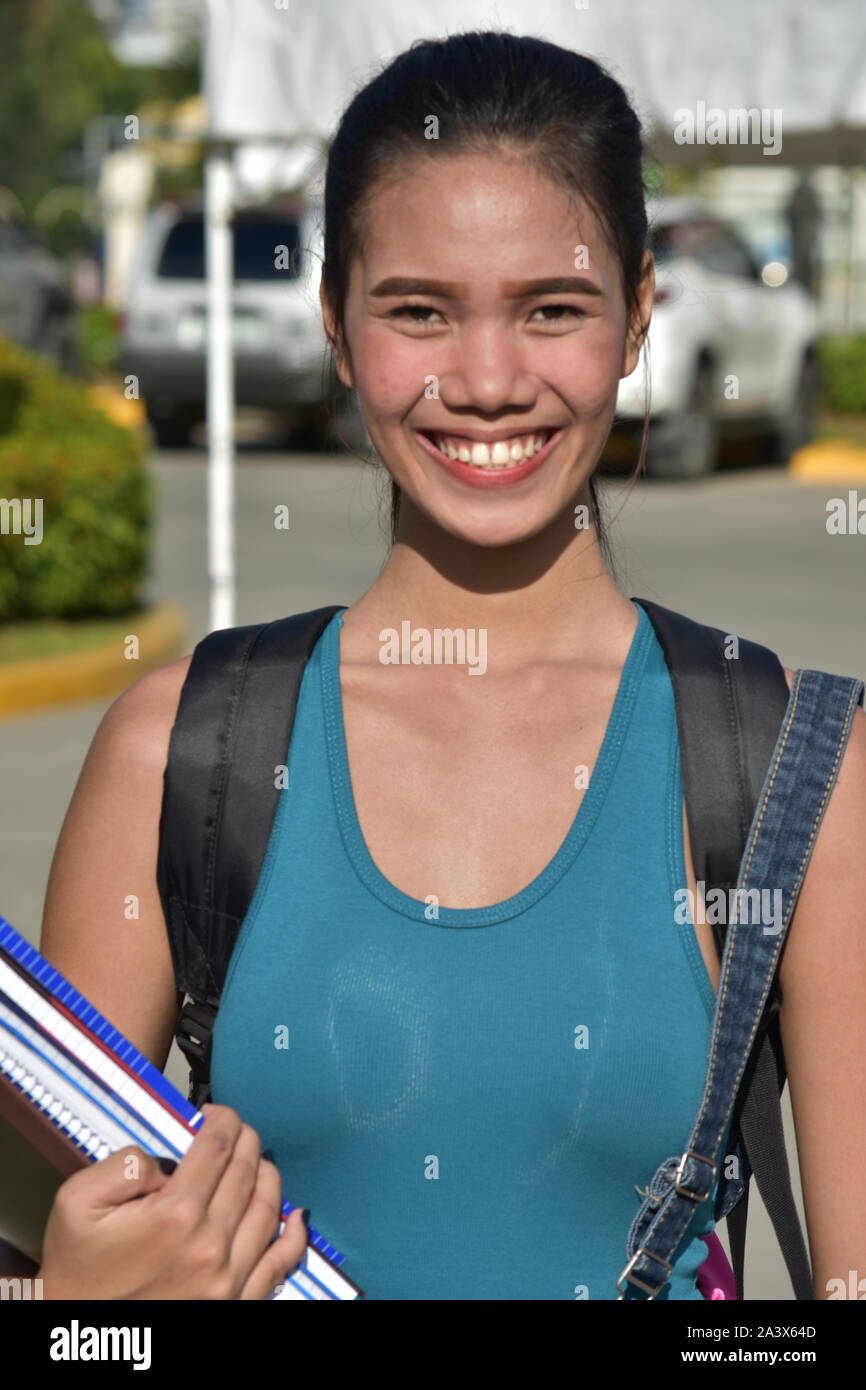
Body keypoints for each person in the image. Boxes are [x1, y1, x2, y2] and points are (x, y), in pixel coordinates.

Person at [34, 31, 866, 1300]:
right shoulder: (182, 747)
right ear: (334, 321)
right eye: (419, 310)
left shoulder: (794, 767)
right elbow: (60, 1280)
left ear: (639, 314)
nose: (485, 383)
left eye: (552, 309)